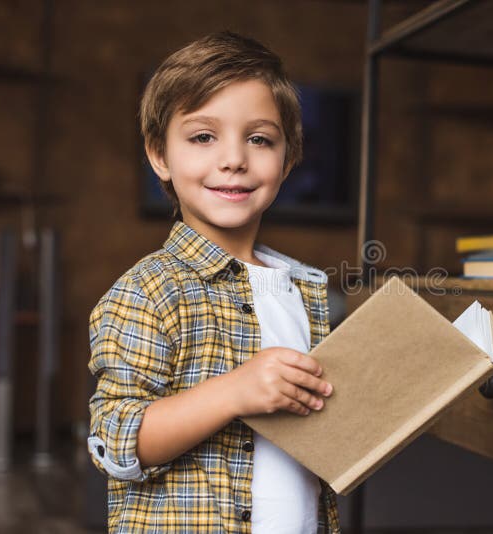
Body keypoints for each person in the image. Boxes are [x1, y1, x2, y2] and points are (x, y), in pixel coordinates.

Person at [87, 31, 340, 533]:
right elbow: (116, 441)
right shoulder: (148, 291)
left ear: (287, 159)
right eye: (203, 136)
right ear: (160, 155)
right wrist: (233, 392)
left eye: (259, 138)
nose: (234, 159)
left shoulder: (304, 288)